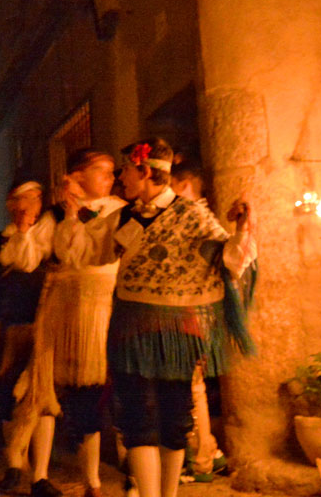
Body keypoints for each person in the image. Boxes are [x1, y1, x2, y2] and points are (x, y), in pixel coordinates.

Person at [56, 138, 255, 497]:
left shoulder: (192, 215)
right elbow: (91, 251)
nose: (121, 179)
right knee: (138, 420)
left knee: (174, 420)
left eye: (126, 171)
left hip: (178, 333)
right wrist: (74, 214)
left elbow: (229, 259)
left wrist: (241, 229)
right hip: (132, 330)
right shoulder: (125, 217)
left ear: (145, 171)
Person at [22, 148, 126, 497]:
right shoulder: (55, 215)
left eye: (112, 171)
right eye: (102, 170)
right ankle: (39, 476)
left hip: (101, 311)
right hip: (60, 310)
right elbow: (30, 256)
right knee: (46, 392)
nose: (110, 177)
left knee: (91, 393)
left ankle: (92, 480)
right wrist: (25, 228)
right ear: (78, 175)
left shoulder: (118, 211)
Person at [0, 181, 57, 496]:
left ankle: (41, 476)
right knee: (8, 401)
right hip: (6, 334)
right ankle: (15, 464)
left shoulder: (51, 241)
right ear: (10, 204)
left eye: (34, 198)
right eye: (22, 199)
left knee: (44, 402)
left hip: (43, 332)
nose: (28, 205)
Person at [169, 159, 231, 484]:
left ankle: (202, 457)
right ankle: (208, 450)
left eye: (171, 187)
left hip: (191, 311)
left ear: (185, 187)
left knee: (191, 385)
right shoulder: (191, 219)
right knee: (190, 385)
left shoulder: (198, 221)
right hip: (189, 311)